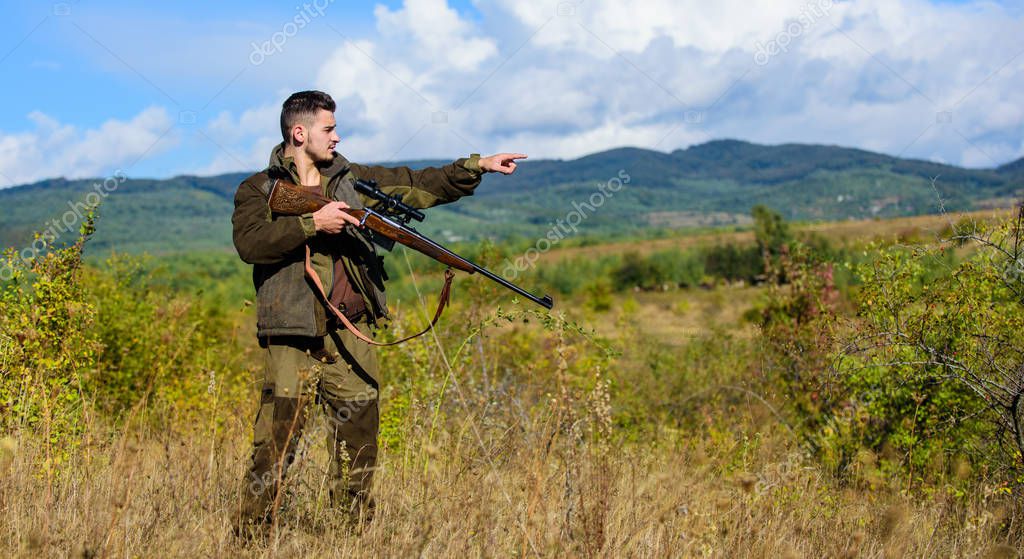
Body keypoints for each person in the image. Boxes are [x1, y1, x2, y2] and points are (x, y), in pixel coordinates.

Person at [230, 90, 525, 535]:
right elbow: (250, 244)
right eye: (328, 128)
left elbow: (417, 182)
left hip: (352, 331)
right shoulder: (258, 189)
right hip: (292, 332)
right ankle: (251, 539)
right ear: (299, 132)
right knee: (276, 441)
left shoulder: (354, 179)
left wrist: (474, 167)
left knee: (359, 440)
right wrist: (312, 224)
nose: (336, 136)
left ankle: (350, 538)